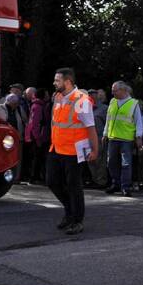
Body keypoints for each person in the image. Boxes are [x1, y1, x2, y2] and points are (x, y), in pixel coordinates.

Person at [47, 68, 99, 235]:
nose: (54, 83)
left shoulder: (82, 101)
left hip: (75, 150)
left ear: (68, 82)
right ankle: (70, 211)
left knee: (74, 186)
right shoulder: (58, 97)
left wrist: (95, 150)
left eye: (57, 80)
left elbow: (91, 128)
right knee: (52, 181)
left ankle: (76, 220)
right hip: (56, 148)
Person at [103, 80, 142, 196]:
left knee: (126, 164)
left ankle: (125, 187)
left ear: (123, 90)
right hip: (112, 137)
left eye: (115, 91)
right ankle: (116, 184)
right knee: (111, 162)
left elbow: (138, 121)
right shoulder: (112, 101)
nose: (112, 93)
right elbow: (108, 119)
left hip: (126, 139)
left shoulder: (134, 103)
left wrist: (138, 137)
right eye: (112, 90)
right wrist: (105, 133)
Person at [0, 93, 28, 184]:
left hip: (18, 138)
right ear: (9, 102)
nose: (15, 105)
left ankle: (16, 178)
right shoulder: (0, 108)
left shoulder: (19, 109)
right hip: (4, 140)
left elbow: (25, 120)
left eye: (16, 103)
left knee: (17, 158)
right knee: (5, 158)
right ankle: (3, 177)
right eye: (14, 103)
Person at [26, 87, 50, 183]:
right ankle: (33, 177)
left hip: (39, 136)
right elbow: (35, 124)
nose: (48, 96)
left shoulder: (39, 105)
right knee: (37, 157)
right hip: (37, 137)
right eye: (47, 94)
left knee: (38, 157)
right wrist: (37, 138)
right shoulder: (38, 107)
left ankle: (36, 176)